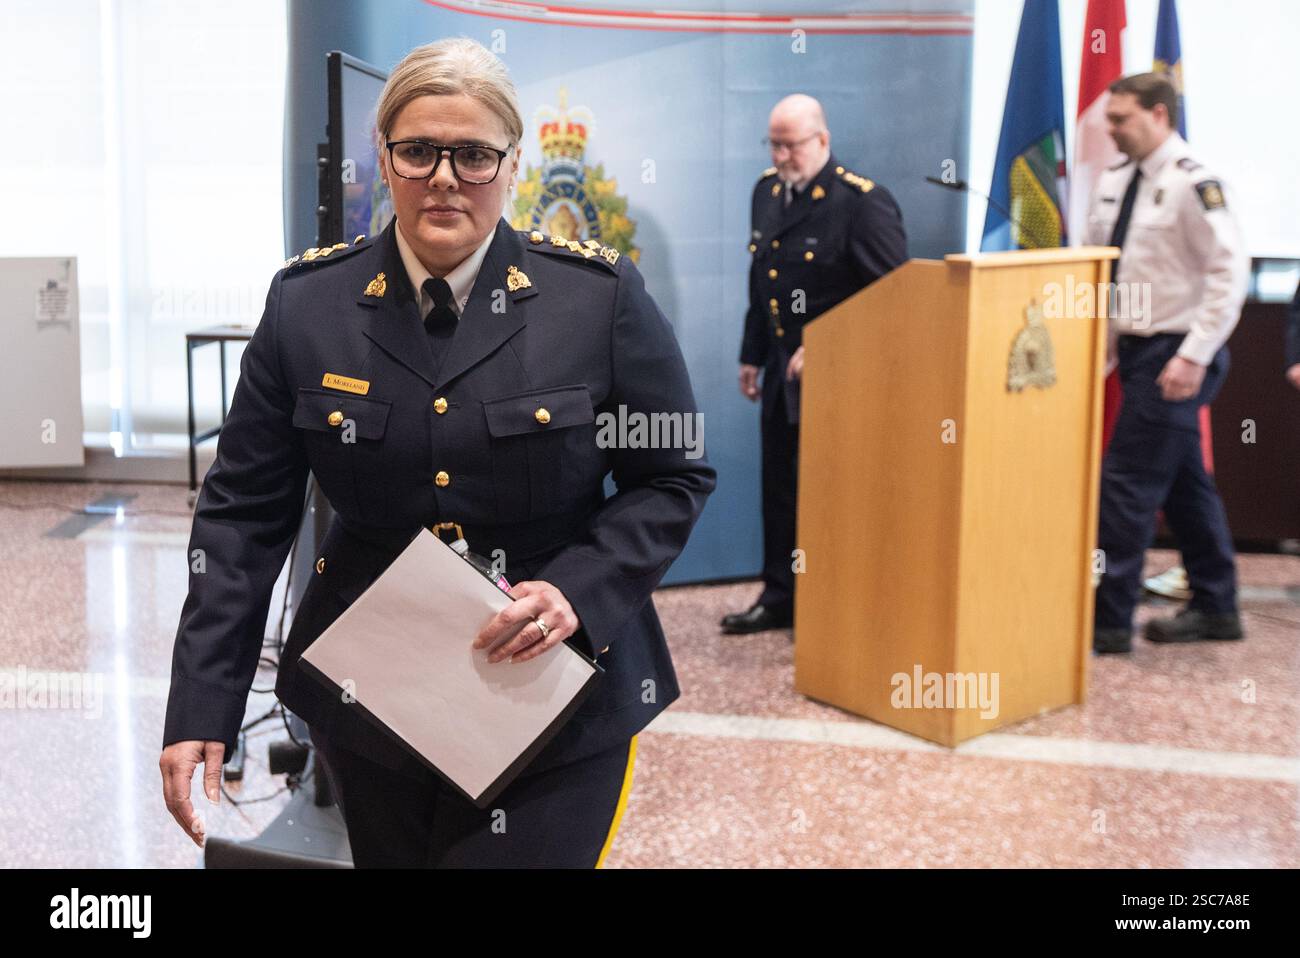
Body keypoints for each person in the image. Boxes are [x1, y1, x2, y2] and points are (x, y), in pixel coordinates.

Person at [159, 38, 715, 867]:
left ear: (514, 163)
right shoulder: (309, 306)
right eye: (418, 151)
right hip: (374, 697)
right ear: (383, 160)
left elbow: (672, 472)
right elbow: (241, 517)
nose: (445, 177)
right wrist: (205, 701)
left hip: (553, 697)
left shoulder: (596, 300)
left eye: (474, 154)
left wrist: (579, 589)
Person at [721, 94, 906, 635]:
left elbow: (894, 299)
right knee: (780, 487)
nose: (781, 156)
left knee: (835, 495)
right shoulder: (766, 192)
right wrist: (752, 353)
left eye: (791, 145)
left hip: (844, 380)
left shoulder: (861, 203)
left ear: (822, 141)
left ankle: (839, 601)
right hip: (784, 371)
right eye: (774, 144)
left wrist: (831, 347)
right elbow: (764, 282)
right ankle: (781, 596)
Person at [1086, 73, 1249, 654]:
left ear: (1159, 115)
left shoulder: (1194, 184)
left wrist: (1192, 357)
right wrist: (1100, 352)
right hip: (1132, 350)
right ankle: (1217, 605)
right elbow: (1107, 273)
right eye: (1110, 118)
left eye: (1121, 118)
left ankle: (1107, 624)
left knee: (1125, 485)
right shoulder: (1114, 180)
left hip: (1174, 352)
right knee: (1184, 486)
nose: (1110, 128)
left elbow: (1231, 275)